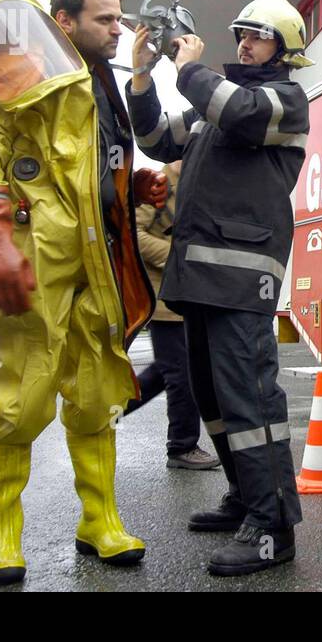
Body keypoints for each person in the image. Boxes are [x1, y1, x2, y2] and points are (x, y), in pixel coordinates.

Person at [0, 0, 164, 585]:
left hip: (98, 262)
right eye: (106, 19)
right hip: (36, 258)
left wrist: (133, 189)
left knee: (95, 391)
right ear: (63, 21)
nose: (119, 29)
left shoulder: (103, 84)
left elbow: (94, 167)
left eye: (119, 19)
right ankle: (1, 537)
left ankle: (99, 520)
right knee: (21, 394)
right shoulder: (2, 76)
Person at [126, 0, 311, 576]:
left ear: (284, 47)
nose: (245, 44)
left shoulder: (282, 100)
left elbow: (232, 106)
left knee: (249, 397)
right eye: (241, 35)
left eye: (256, 36)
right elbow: (156, 137)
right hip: (200, 274)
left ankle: (272, 526)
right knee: (214, 396)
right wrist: (140, 75)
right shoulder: (217, 103)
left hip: (241, 273)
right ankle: (244, 497)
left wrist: (185, 68)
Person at [126, 160, 221, 470]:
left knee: (162, 374)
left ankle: (102, 415)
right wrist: (180, 258)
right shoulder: (163, 180)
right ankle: (182, 447)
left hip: (190, 296)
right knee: (181, 376)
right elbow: (133, 235)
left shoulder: (204, 179)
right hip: (165, 299)